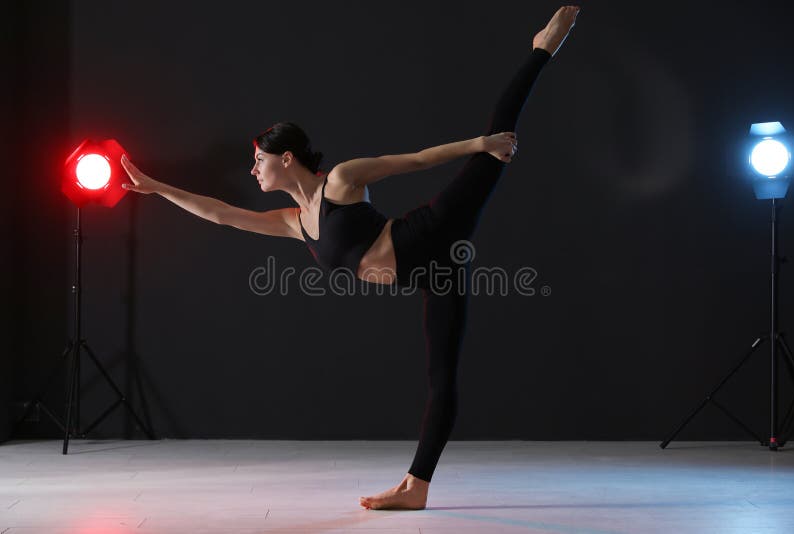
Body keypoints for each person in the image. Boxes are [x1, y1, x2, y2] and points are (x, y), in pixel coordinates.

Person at [120, 5, 580, 510]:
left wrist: (479, 144)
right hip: (436, 275)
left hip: (433, 231)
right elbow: (222, 214)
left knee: (498, 140)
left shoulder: (340, 182)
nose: (253, 169)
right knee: (442, 379)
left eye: (258, 160)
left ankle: (542, 48)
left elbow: (414, 160)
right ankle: (416, 488)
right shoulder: (294, 222)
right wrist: (158, 188)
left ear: (286, 158)